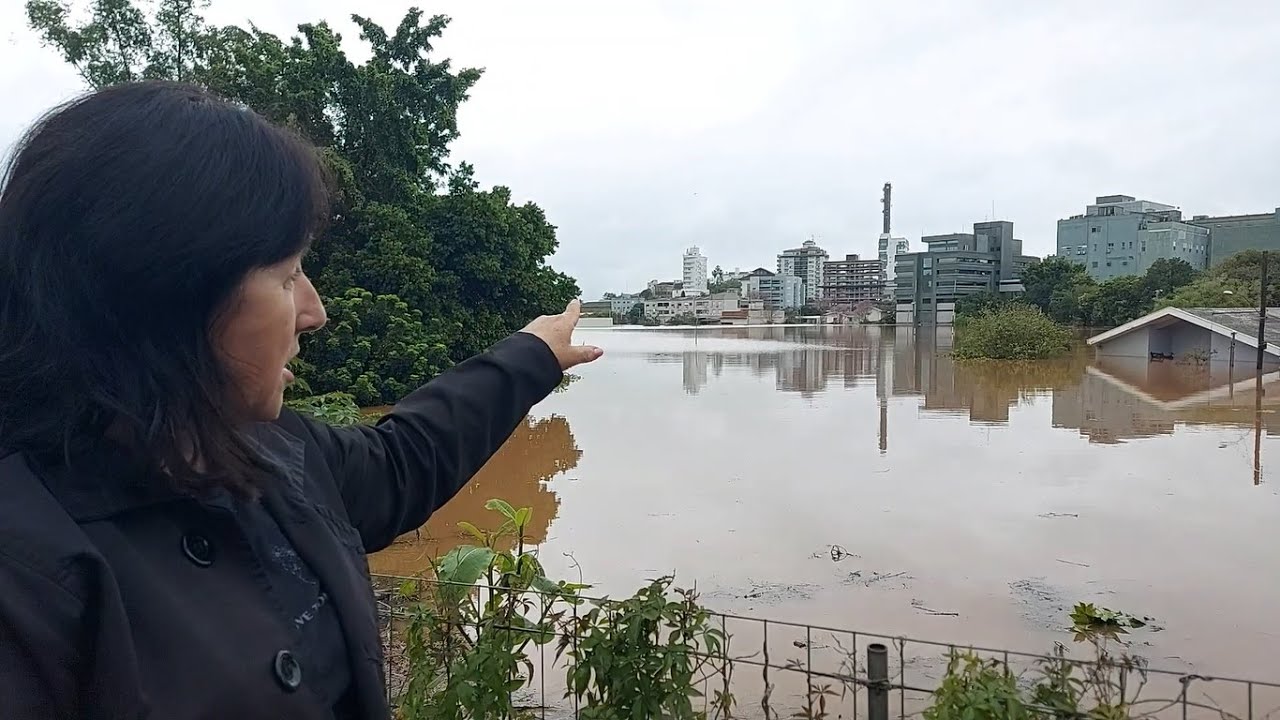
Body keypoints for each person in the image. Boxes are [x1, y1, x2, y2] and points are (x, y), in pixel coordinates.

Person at [0, 80, 602, 719]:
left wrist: (532, 354)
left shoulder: (267, 449)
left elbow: (402, 460)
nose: (313, 311)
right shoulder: (25, 579)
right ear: (171, 294)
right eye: (287, 276)